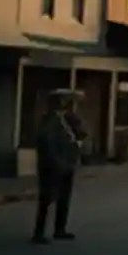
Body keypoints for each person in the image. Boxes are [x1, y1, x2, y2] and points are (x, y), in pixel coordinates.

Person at [32, 90, 85, 245]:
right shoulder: (49, 120)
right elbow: (46, 143)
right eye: (65, 101)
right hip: (52, 165)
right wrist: (56, 161)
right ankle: (39, 232)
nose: (68, 105)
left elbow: (81, 132)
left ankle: (60, 228)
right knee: (46, 199)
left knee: (64, 198)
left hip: (67, 163)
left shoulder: (67, 119)